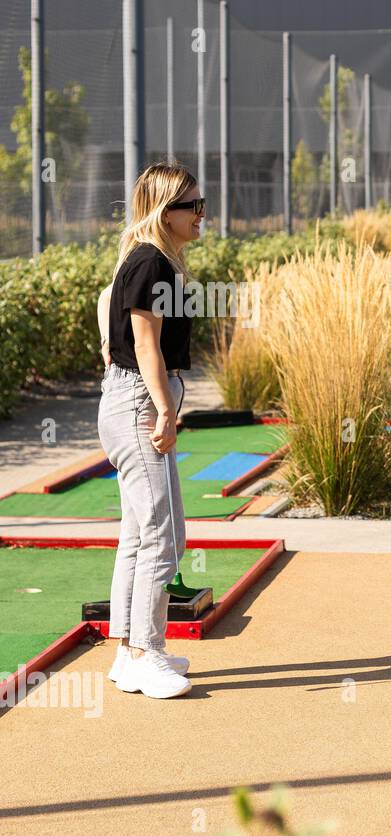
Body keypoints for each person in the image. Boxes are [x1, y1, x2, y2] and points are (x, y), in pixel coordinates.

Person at [99, 162, 205, 698]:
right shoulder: (148, 262)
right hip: (139, 401)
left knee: (142, 533)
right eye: (193, 206)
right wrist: (164, 409)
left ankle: (129, 651)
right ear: (166, 210)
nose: (201, 215)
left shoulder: (153, 261)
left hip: (134, 398)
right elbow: (144, 346)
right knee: (162, 532)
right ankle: (145, 651)